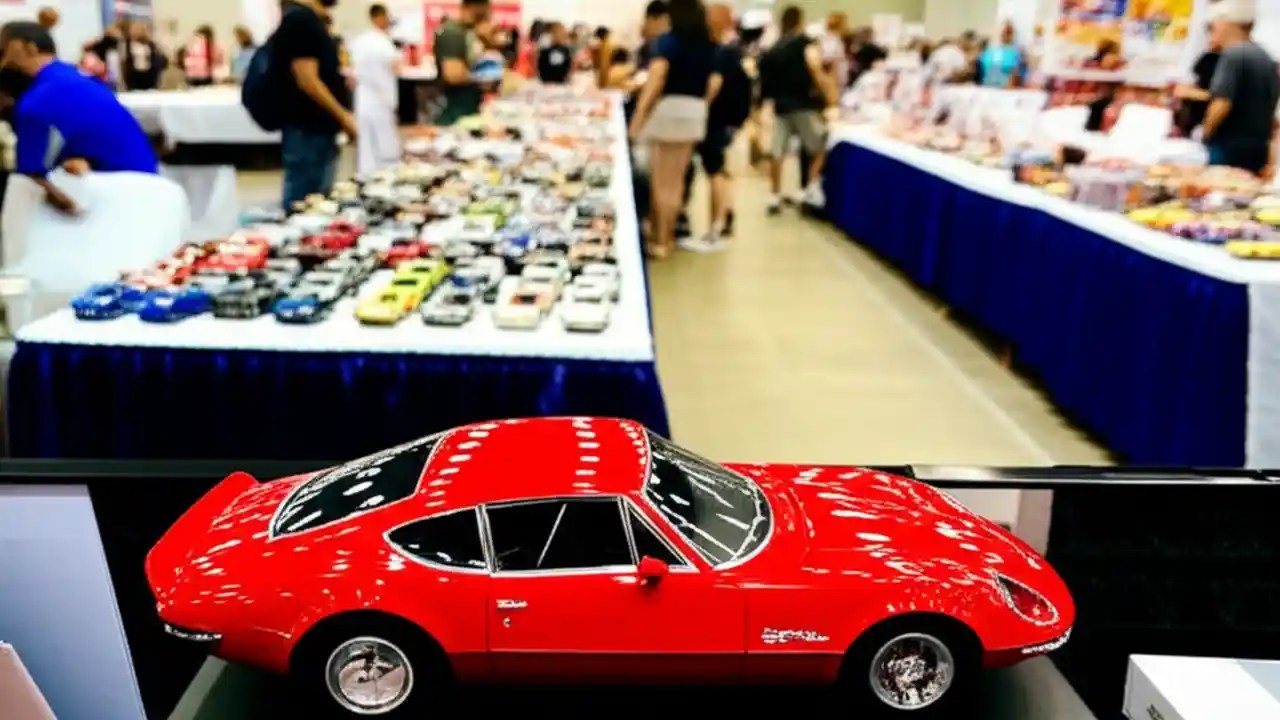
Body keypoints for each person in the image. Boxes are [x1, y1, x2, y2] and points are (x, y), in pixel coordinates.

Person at [0, 22, 158, 215]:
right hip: (148, 185)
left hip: (119, 200)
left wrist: (73, 210)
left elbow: (30, 180)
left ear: (29, 48)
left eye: (4, 49)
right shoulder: (77, 77)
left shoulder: (38, 102)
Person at [629, 0, 721, 260]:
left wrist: (638, 119)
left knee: (660, 181)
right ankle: (668, 235)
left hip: (669, 109)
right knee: (677, 180)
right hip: (695, 112)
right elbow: (714, 83)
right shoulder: (707, 44)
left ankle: (661, 239)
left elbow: (656, 80)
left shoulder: (667, 42)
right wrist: (700, 104)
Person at [274, 0, 354, 208]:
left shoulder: (309, 20)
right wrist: (343, 116)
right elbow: (307, 79)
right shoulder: (301, 20)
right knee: (306, 204)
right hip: (307, 131)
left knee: (318, 199)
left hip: (316, 130)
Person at [759, 4, 836, 214]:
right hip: (804, 104)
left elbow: (764, 82)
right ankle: (811, 187)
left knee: (778, 152)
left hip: (781, 107)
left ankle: (773, 195)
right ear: (800, 21)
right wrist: (828, 97)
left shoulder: (773, 49)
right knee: (820, 145)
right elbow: (816, 70)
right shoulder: (806, 44)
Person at [689, 2, 748, 250]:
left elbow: (714, 84)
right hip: (724, 120)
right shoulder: (727, 51)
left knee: (715, 171)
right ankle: (724, 217)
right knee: (718, 170)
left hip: (716, 120)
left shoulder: (721, 53)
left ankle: (717, 225)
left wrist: (698, 110)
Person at [1203, 5, 1280, 175]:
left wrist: (1204, 133)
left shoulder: (1233, 55)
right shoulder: (1265, 57)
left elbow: (1222, 102)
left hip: (1227, 150)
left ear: (1226, 24)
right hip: (1257, 150)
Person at [350, 3, 400, 177]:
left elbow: (352, 69)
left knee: (366, 148)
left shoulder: (360, 40)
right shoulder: (383, 41)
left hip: (363, 99)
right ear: (379, 17)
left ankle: (365, 180)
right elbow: (396, 66)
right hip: (381, 98)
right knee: (385, 148)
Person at [435, 0, 490, 125]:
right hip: (455, 109)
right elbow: (453, 74)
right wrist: (485, 77)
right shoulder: (451, 33)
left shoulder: (469, 32)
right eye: (480, 14)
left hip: (470, 106)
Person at [121, 20, 165, 91]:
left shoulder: (150, 44)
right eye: (133, 29)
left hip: (148, 74)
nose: (135, 32)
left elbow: (156, 58)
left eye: (138, 29)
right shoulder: (126, 44)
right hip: (133, 75)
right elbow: (123, 62)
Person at [978, 22, 1024, 88]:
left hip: (1006, 90)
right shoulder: (989, 51)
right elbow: (981, 71)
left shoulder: (1017, 53)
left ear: (1012, 34)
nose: (1005, 34)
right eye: (1004, 31)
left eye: (1008, 32)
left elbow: (1016, 75)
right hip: (987, 88)